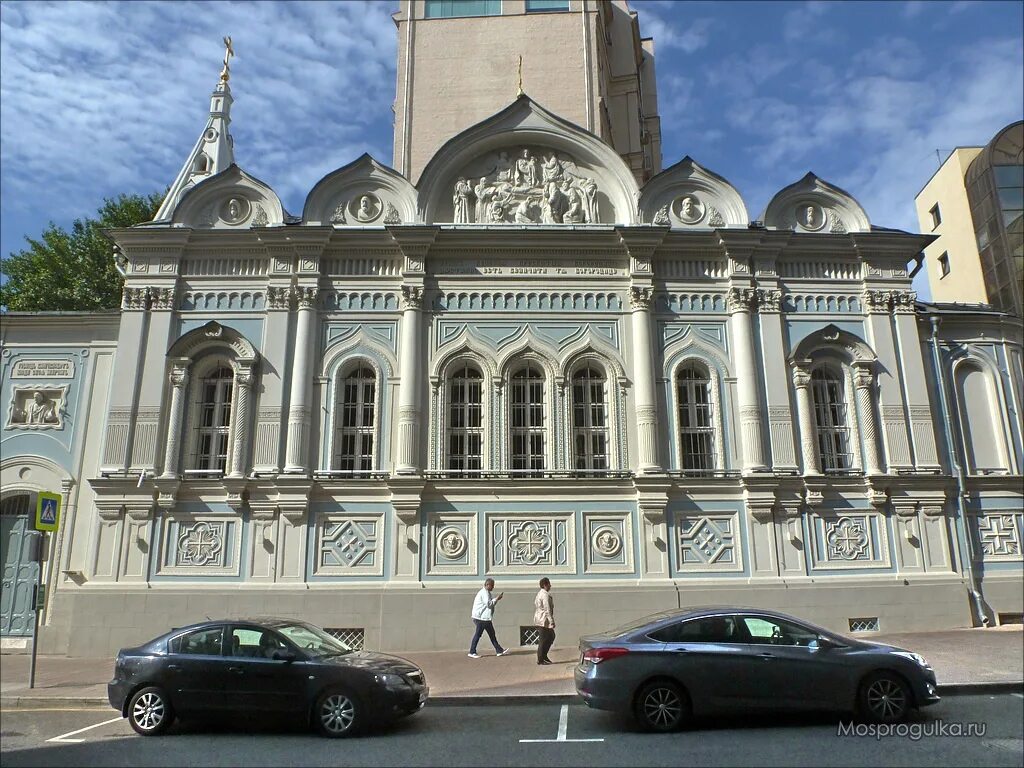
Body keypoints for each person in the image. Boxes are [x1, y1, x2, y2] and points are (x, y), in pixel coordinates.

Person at [468, 578, 508, 658]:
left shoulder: (486, 593)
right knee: (478, 634)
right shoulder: (484, 593)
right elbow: (489, 605)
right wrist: (497, 599)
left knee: (492, 634)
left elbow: (488, 603)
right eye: (492, 585)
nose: (493, 587)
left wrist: (495, 599)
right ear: (487, 585)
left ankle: (499, 650)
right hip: (481, 618)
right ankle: (472, 651)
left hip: (485, 618)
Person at [533, 577, 555, 664]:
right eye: (549, 584)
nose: (550, 585)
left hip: (540, 618)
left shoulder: (540, 593)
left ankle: (544, 656)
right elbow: (547, 609)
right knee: (544, 639)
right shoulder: (545, 595)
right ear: (545, 585)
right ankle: (540, 659)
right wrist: (551, 621)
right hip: (543, 620)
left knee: (551, 636)